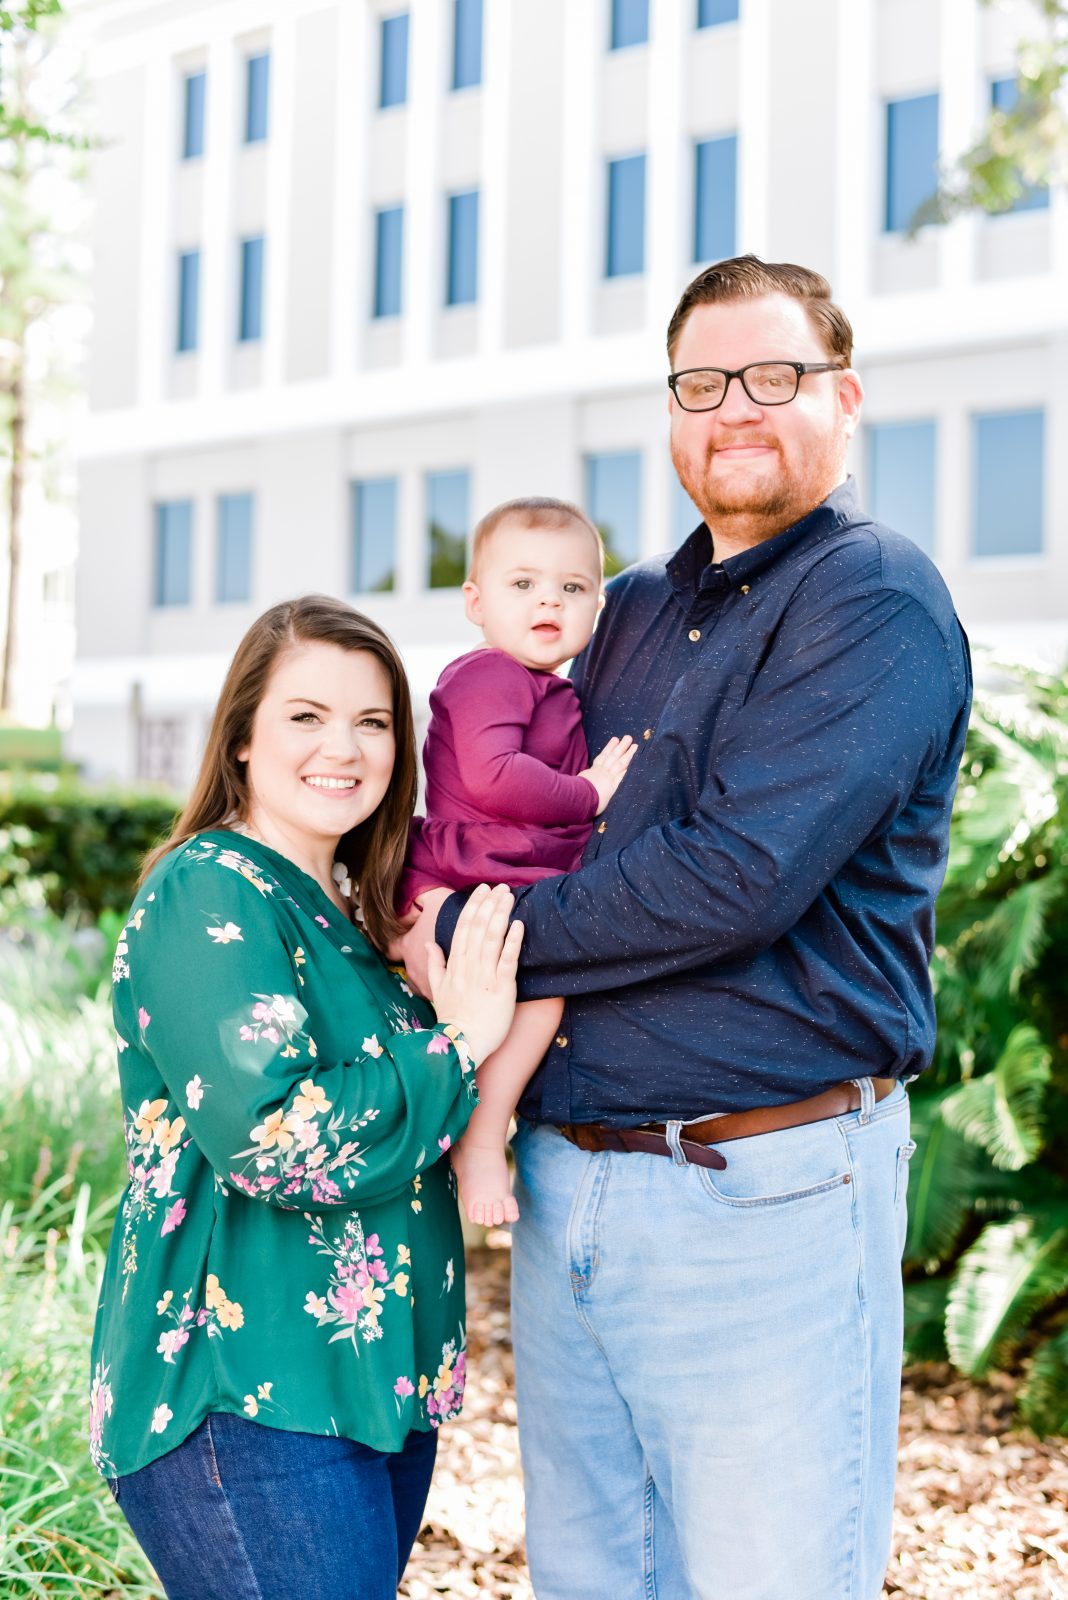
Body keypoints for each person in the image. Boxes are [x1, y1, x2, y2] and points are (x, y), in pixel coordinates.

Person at [396, 256, 973, 1600]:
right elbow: (527, 802)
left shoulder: (872, 600)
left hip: (760, 1195)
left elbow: (735, 878)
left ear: (847, 396)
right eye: (703, 383)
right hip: (570, 1188)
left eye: (775, 377)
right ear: (671, 412)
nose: (737, 410)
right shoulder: (632, 609)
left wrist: (476, 931)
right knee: (598, 1580)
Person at [89, 596, 523, 1600]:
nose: (347, 747)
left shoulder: (358, 916)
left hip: (370, 1385)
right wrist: (459, 1043)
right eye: (306, 716)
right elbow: (276, 1137)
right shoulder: (211, 889)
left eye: (374, 721)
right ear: (241, 737)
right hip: (246, 1390)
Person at [399, 497, 635, 1225]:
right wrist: (588, 792)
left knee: (538, 999)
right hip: (474, 876)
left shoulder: (545, 685)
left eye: (571, 588)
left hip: (507, 882)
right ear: (475, 600)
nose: (549, 601)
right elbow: (493, 773)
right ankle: (477, 1137)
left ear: (597, 603)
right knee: (526, 998)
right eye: (523, 583)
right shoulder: (486, 674)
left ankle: (473, 1129)